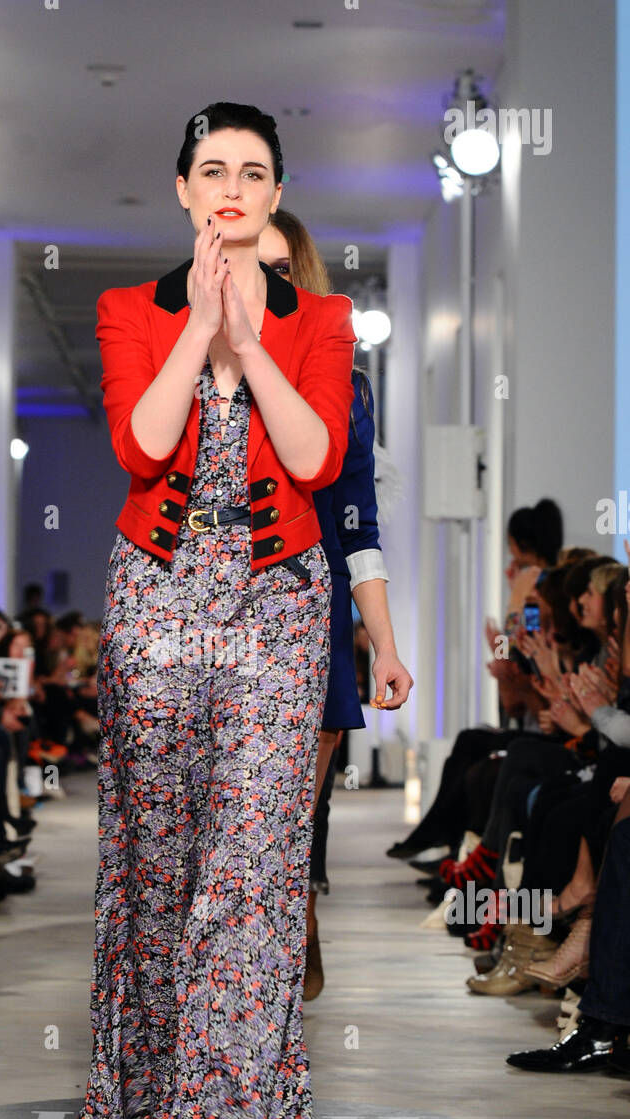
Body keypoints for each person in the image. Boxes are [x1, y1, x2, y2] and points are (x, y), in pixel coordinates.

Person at [76, 102, 358, 1119]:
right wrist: (198, 330)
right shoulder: (129, 309)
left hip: (280, 605)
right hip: (156, 598)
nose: (231, 187)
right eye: (211, 171)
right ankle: (163, 1109)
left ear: (276, 191)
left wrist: (251, 342)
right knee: (164, 867)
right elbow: (141, 447)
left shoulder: (325, 317)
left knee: (249, 876)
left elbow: (316, 460)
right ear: (185, 193)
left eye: (252, 171)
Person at [258, 210, 412, 998]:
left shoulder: (345, 390)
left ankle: (290, 930)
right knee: (224, 820)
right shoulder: (196, 375)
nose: (266, 281)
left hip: (311, 617)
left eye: (282, 269)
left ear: (304, 276)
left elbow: (358, 523)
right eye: (253, 265)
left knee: (287, 814)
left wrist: (383, 644)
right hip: (214, 622)